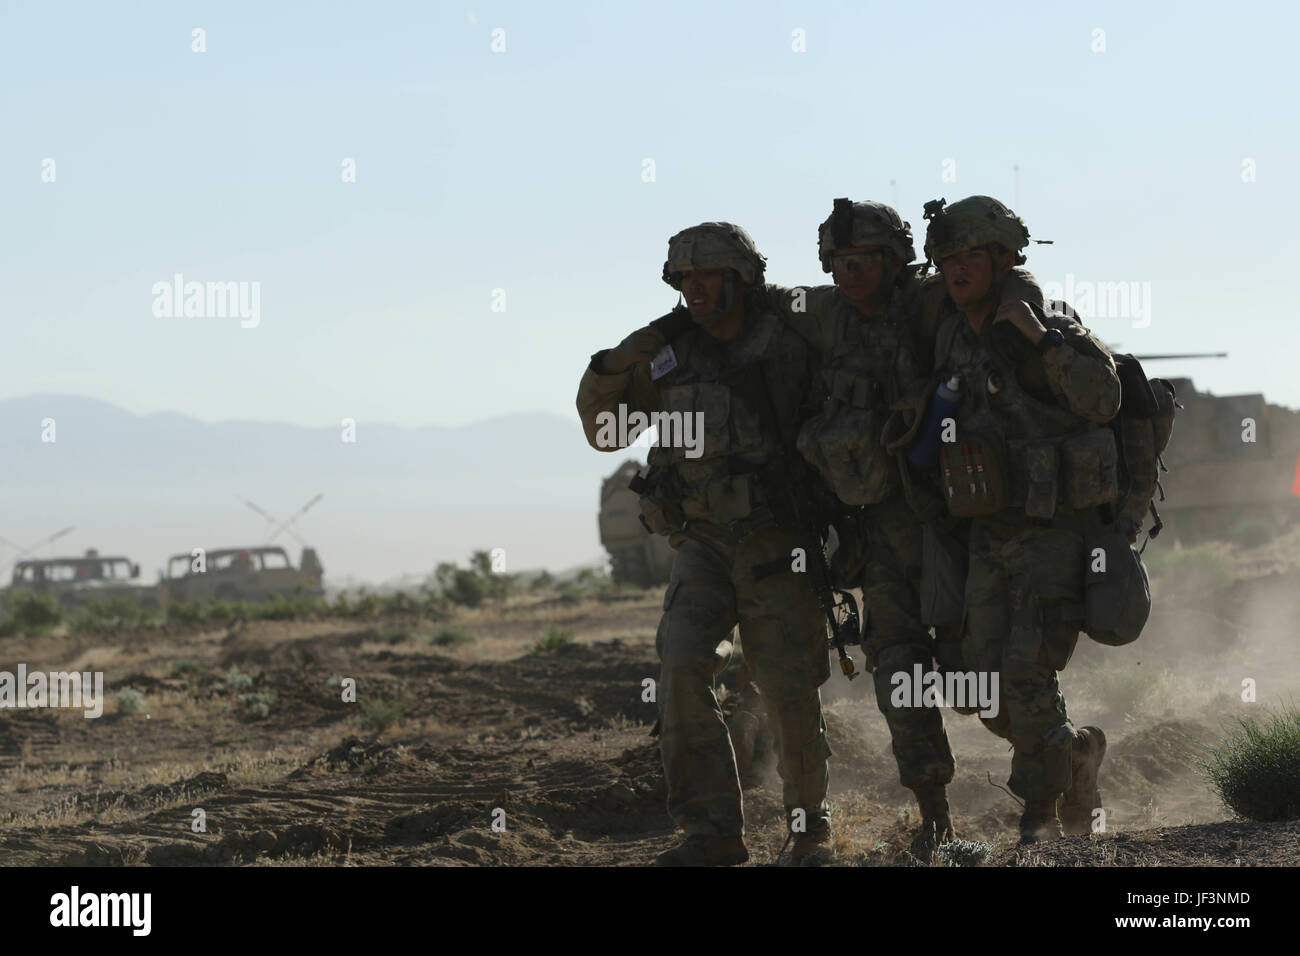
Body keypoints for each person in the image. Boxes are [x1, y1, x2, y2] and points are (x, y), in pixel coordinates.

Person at [576, 222, 833, 865]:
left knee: (787, 686)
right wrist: (611, 364)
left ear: (740, 280)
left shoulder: (788, 343)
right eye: (684, 278)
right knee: (682, 671)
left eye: (707, 276)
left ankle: (809, 827)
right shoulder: (669, 355)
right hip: (702, 545)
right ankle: (714, 830)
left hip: (779, 544)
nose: (693, 288)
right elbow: (607, 434)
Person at [921, 195, 1114, 842]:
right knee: (977, 685)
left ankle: (1040, 820)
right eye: (946, 258)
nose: (955, 269)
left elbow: (1105, 397)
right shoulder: (951, 333)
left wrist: (1043, 341)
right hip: (986, 531)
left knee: (1027, 674)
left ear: (1003, 260)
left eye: (969, 256)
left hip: (1051, 532)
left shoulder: (1044, 319)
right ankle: (1076, 751)